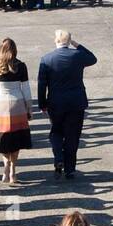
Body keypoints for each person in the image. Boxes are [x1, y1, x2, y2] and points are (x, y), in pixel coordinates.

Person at [37, 29, 97, 180]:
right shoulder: (77, 55)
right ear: (69, 41)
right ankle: (70, 169)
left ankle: (58, 158)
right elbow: (93, 58)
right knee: (72, 136)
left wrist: (42, 103)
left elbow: (41, 84)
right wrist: (76, 44)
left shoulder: (46, 59)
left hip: (56, 103)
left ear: (56, 40)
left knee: (56, 132)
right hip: (76, 102)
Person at [0, 37, 32, 185]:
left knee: (3, 138)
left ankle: (5, 164)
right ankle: (13, 169)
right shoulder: (21, 66)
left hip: (1, 105)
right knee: (16, 139)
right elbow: (26, 89)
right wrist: (29, 107)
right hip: (17, 103)